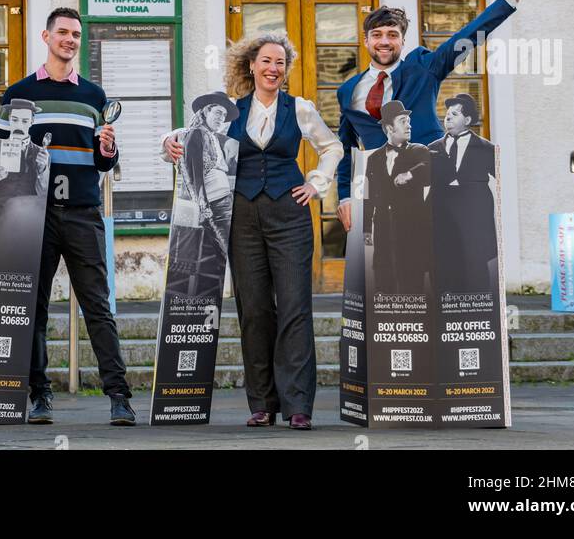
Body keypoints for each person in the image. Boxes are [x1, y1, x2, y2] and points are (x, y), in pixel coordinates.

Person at [163, 32, 342, 430]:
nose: (273, 69)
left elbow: (332, 147)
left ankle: (298, 406)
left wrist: (315, 183)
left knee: (295, 307)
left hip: (289, 215)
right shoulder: (229, 110)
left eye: (280, 63)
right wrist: (169, 142)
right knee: (255, 310)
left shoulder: (301, 108)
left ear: (285, 70)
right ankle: (262, 403)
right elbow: (184, 134)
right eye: (266, 61)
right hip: (241, 218)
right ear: (251, 66)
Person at [0, 6, 135, 426]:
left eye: (76, 34)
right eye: (62, 32)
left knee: (99, 308)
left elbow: (104, 164)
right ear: (46, 38)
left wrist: (108, 149)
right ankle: (39, 396)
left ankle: (119, 397)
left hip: (83, 212)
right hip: (33, 215)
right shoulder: (19, 93)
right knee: (33, 308)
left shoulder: (94, 97)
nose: (69, 40)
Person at [337, 0, 541, 230]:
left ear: (402, 40)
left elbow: (469, 35)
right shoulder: (347, 91)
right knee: (391, 269)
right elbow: (346, 149)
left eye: (392, 34)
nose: (384, 41)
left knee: (442, 268)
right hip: (381, 195)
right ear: (365, 41)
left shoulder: (423, 68)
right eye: (376, 35)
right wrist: (345, 196)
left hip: (434, 186)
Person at [168, 92, 239, 297]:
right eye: (217, 112)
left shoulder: (213, 136)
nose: (220, 118)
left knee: (220, 251)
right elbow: (194, 173)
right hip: (214, 203)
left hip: (223, 201)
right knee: (219, 251)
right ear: (206, 110)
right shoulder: (196, 134)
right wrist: (203, 205)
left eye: (224, 115)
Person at [429, 93, 497, 292]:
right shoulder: (432, 149)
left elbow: (503, 177)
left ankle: (478, 308)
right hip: (444, 217)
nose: (447, 118)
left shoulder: (486, 149)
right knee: (445, 265)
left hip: (474, 217)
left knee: (476, 267)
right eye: (447, 114)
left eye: (455, 114)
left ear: (467, 120)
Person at [363, 101, 432, 294]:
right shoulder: (374, 158)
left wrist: (410, 174)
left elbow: (429, 171)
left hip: (412, 229)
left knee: (412, 281)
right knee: (384, 282)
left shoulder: (419, 151)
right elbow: (368, 195)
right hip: (383, 228)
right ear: (389, 128)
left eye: (409, 121)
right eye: (403, 121)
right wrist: (367, 228)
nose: (409, 125)